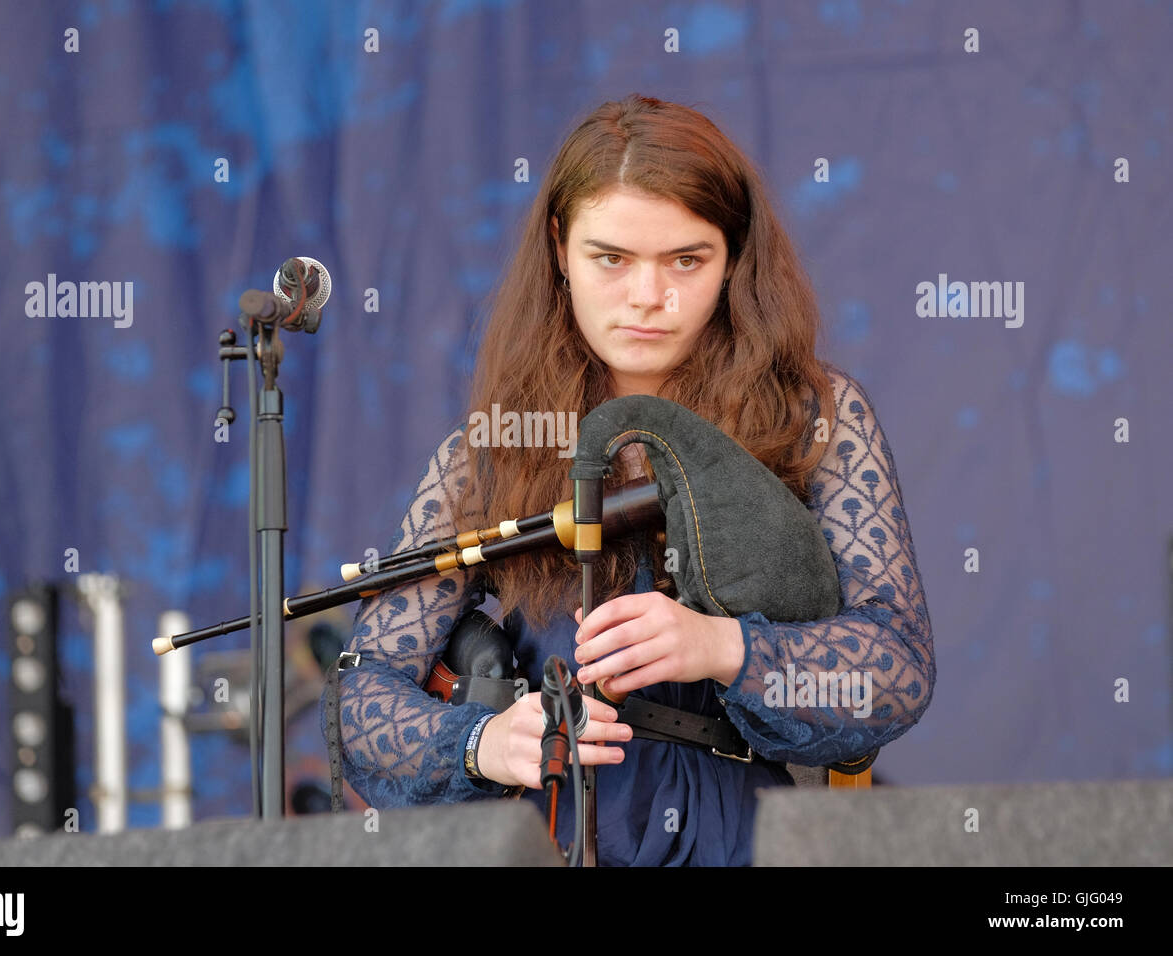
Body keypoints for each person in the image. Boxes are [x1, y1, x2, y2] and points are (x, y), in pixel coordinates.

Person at [328, 93, 935, 866]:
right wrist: (487, 743)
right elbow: (359, 697)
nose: (649, 297)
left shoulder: (815, 418)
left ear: (734, 257)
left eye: (687, 259)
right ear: (559, 248)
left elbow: (899, 667)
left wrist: (724, 647)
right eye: (610, 259)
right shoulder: (490, 454)